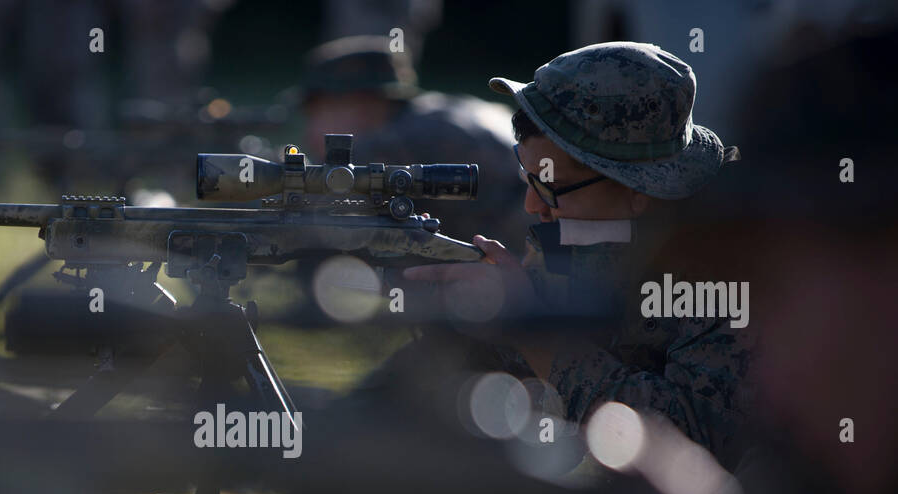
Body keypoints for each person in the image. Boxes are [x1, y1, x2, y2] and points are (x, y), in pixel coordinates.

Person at [404, 41, 749, 469]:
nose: (532, 205)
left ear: (638, 187)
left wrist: (535, 333)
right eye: (527, 174)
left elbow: (693, 445)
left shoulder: (735, 268)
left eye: (549, 186)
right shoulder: (588, 238)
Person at [293, 35, 529, 249]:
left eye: (317, 113)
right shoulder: (437, 114)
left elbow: (314, 207)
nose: (309, 131)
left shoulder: (393, 143)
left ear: (362, 104)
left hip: (526, 253)